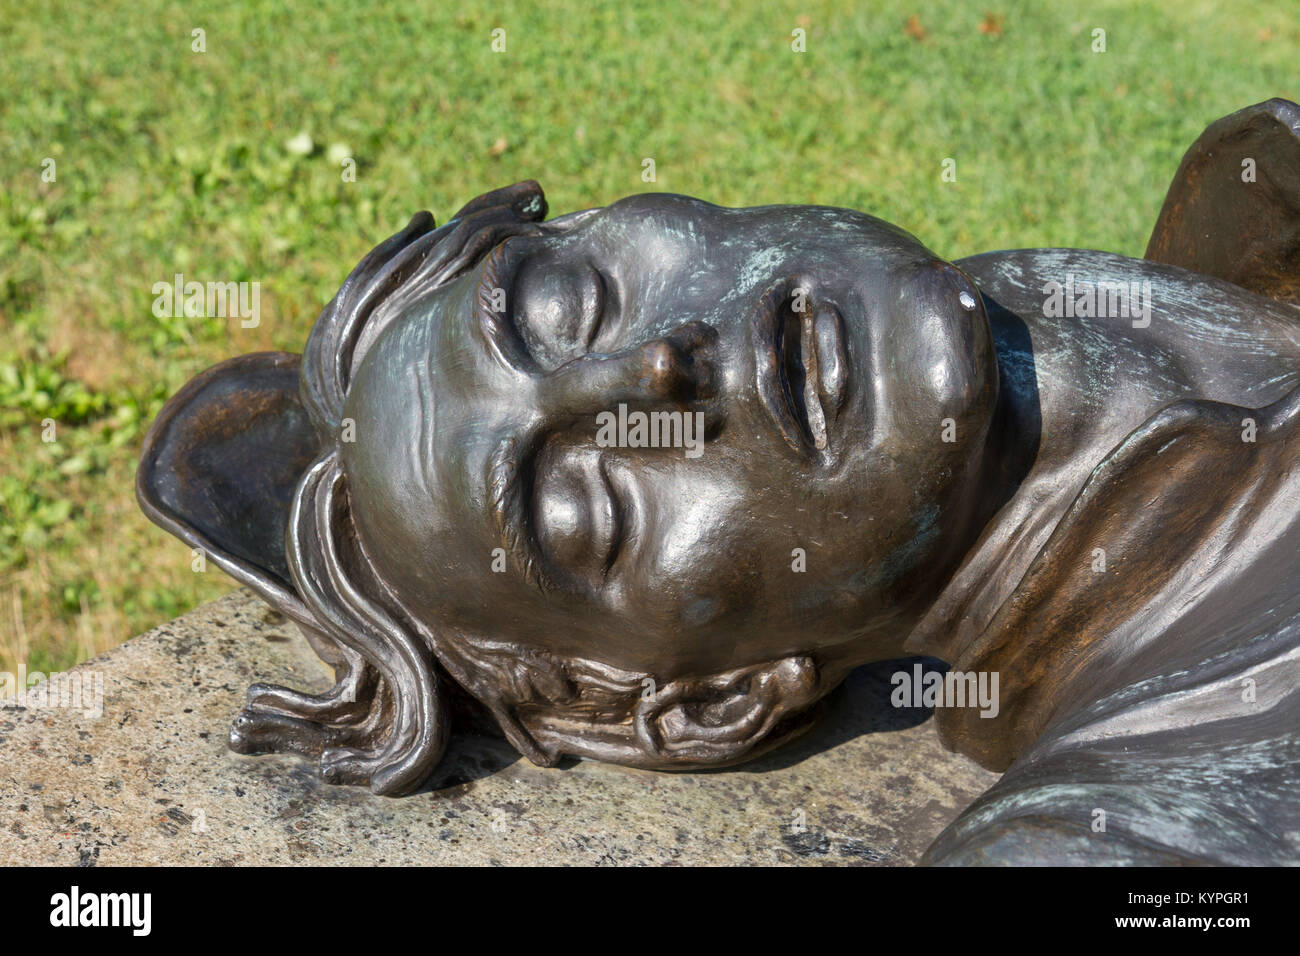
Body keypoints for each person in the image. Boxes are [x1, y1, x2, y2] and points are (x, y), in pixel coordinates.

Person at [139, 100, 1300, 864]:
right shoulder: (1146, 835)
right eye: (596, 511)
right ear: (714, 702)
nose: (653, 373)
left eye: (568, 302)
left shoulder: (1255, 197)